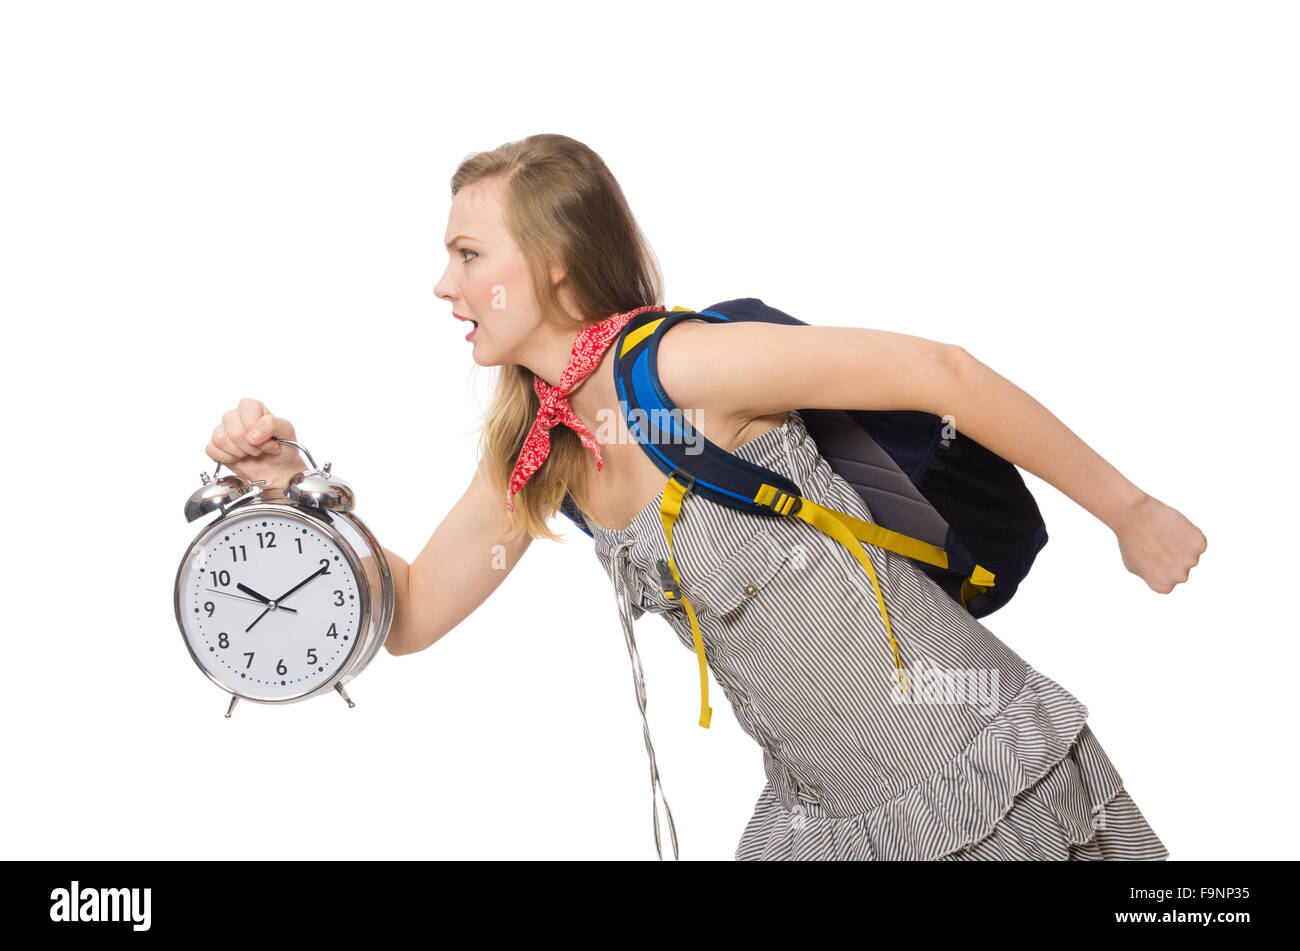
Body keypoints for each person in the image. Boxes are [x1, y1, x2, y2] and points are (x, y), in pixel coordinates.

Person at [203, 133, 1207, 861]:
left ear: (551, 266)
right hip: (826, 828)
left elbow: (940, 374)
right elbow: (410, 613)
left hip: (975, 782)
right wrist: (297, 499)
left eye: (467, 254)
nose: (441, 284)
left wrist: (1129, 511)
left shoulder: (684, 368)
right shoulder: (541, 451)